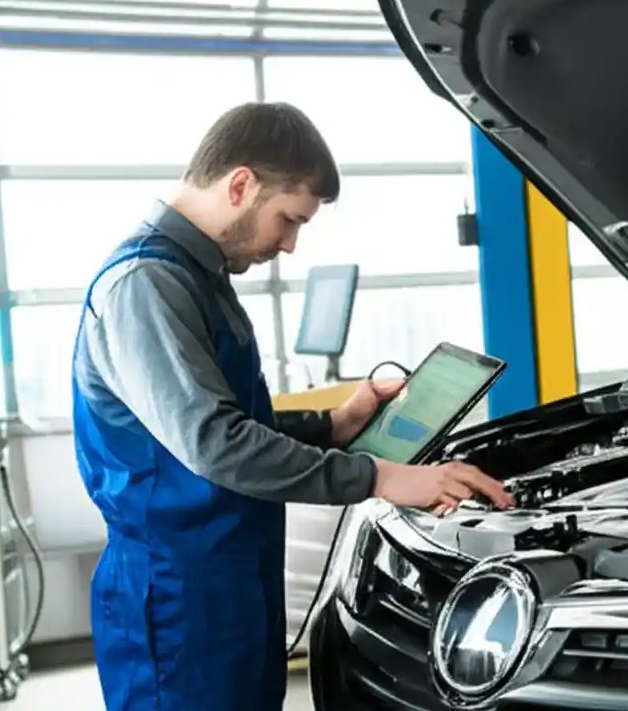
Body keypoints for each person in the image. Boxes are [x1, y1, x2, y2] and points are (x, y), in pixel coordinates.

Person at [70, 101, 514, 711]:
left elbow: (228, 419)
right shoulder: (147, 285)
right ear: (241, 184)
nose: (290, 245)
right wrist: (383, 477)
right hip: (177, 598)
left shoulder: (197, 277)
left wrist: (335, 424)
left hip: (227, 581)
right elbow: (215, 444)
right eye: (288, 219)